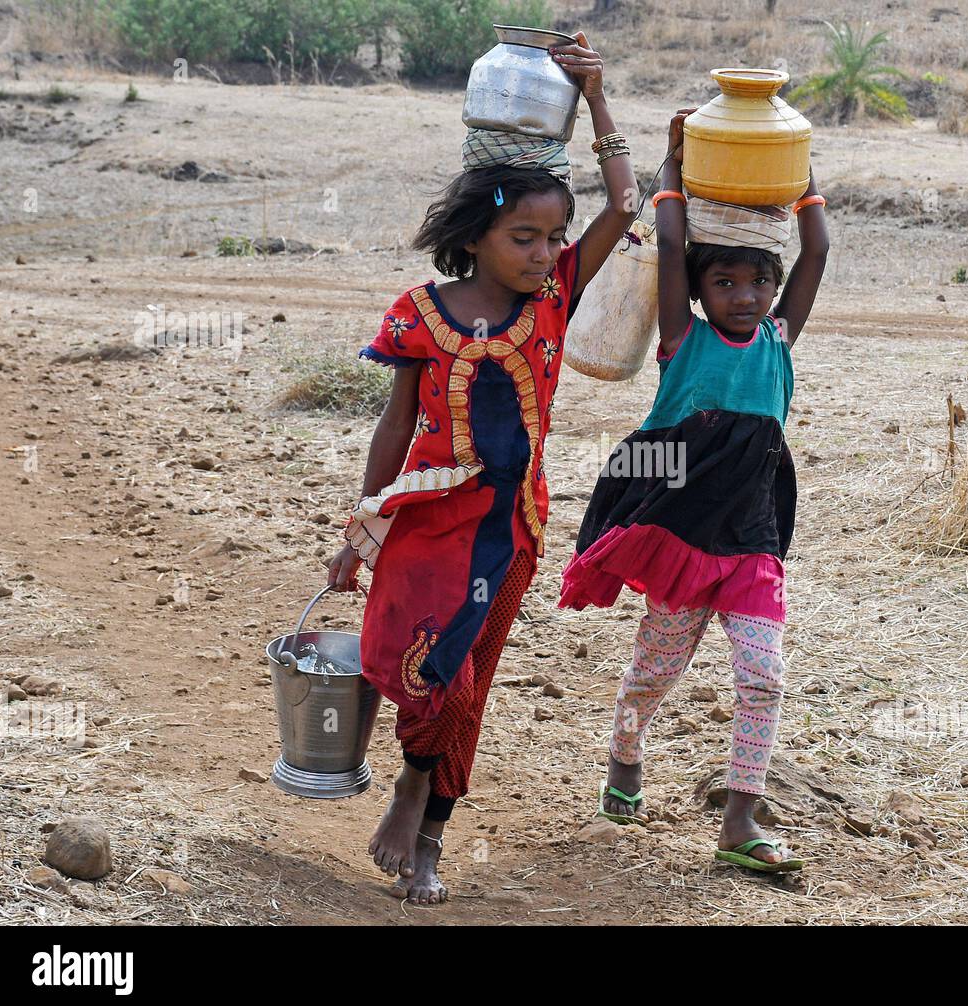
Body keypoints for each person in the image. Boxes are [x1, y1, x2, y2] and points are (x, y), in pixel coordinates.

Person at [327, 32, 636, 904]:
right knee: (405, 659)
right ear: (477, 234)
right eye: (524, 237)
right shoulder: (418, 316)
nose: (544, 253)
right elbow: (393, 430)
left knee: (464, 680)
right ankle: (409, 782)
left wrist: (599, 96)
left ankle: (422, 817)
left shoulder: (558, 297)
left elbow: (625, 201)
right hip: (423, 522)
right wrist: (359, 530)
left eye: (553, 238)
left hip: (509, 532)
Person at [558, 106, 829, 873]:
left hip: (751, 534)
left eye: (756, 283)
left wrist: (798, 167)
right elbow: (671, 241)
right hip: (682, 533)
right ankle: (626, 749)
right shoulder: (685, 341)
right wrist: (675, 162)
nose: (743, 295)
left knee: (764, 675)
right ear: (702, 291)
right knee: (656, 669)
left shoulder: (779, 339)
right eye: (726, 281)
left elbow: (818, 249)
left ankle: (740, 819)